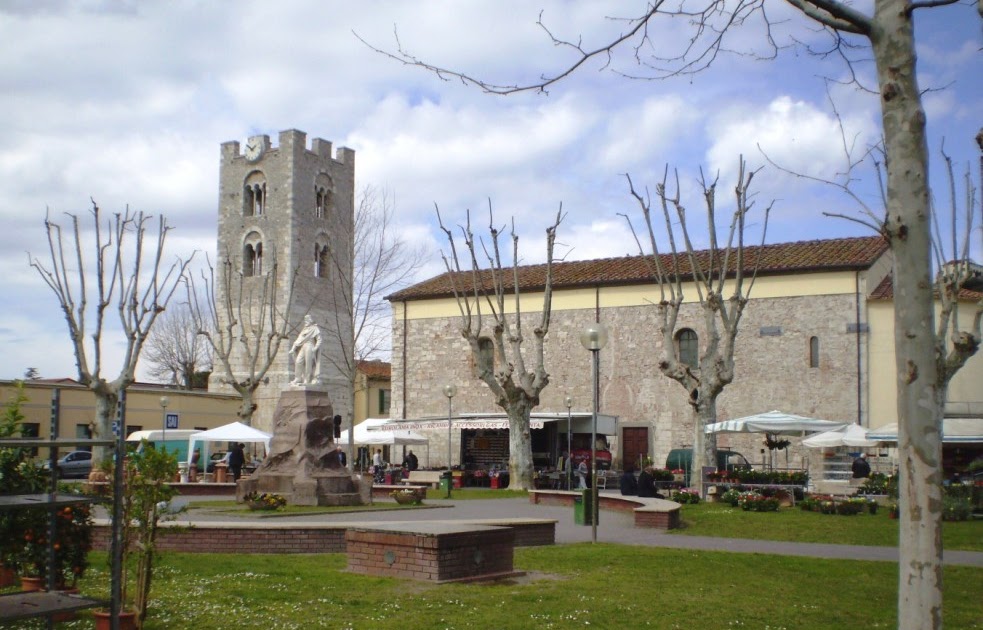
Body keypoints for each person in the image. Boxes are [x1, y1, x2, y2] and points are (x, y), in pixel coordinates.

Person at [290, 314, 322, 385]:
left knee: (308, 364)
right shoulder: (304, 329)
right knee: (298, 361)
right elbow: (299, 339)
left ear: (310, 320)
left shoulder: (315, 328)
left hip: (310, 346)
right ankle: (298, 378)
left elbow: (319, 340)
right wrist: (293, 348)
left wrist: (315, 348)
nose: (306, 321)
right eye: (305, 320)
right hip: (303, 346)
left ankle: (307, 380)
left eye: (307, 320)